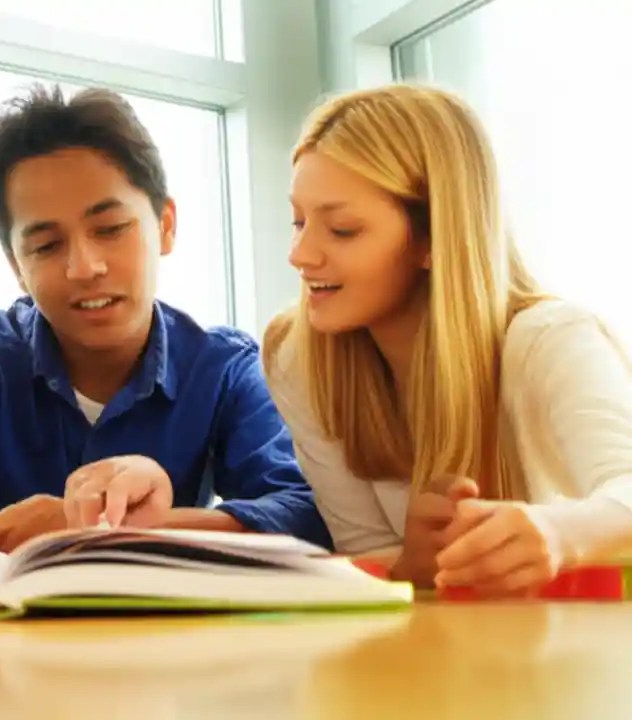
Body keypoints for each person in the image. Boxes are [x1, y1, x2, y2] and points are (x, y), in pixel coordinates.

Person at [0, 84, 331, 556]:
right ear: (16, 266)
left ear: (165, 225)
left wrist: (109, 530)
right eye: (46, 246)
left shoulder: (225, 367)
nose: (84, 267)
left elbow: (303, 513)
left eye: (110, 229)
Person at [259, 84, 632, 595]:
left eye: (342, 229)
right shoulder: (298, 357)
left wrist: (558, 533)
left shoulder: (551, 340)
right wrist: (414, 563)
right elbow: (364, 552)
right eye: (298, 221)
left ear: (435, 236)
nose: (299, 255)